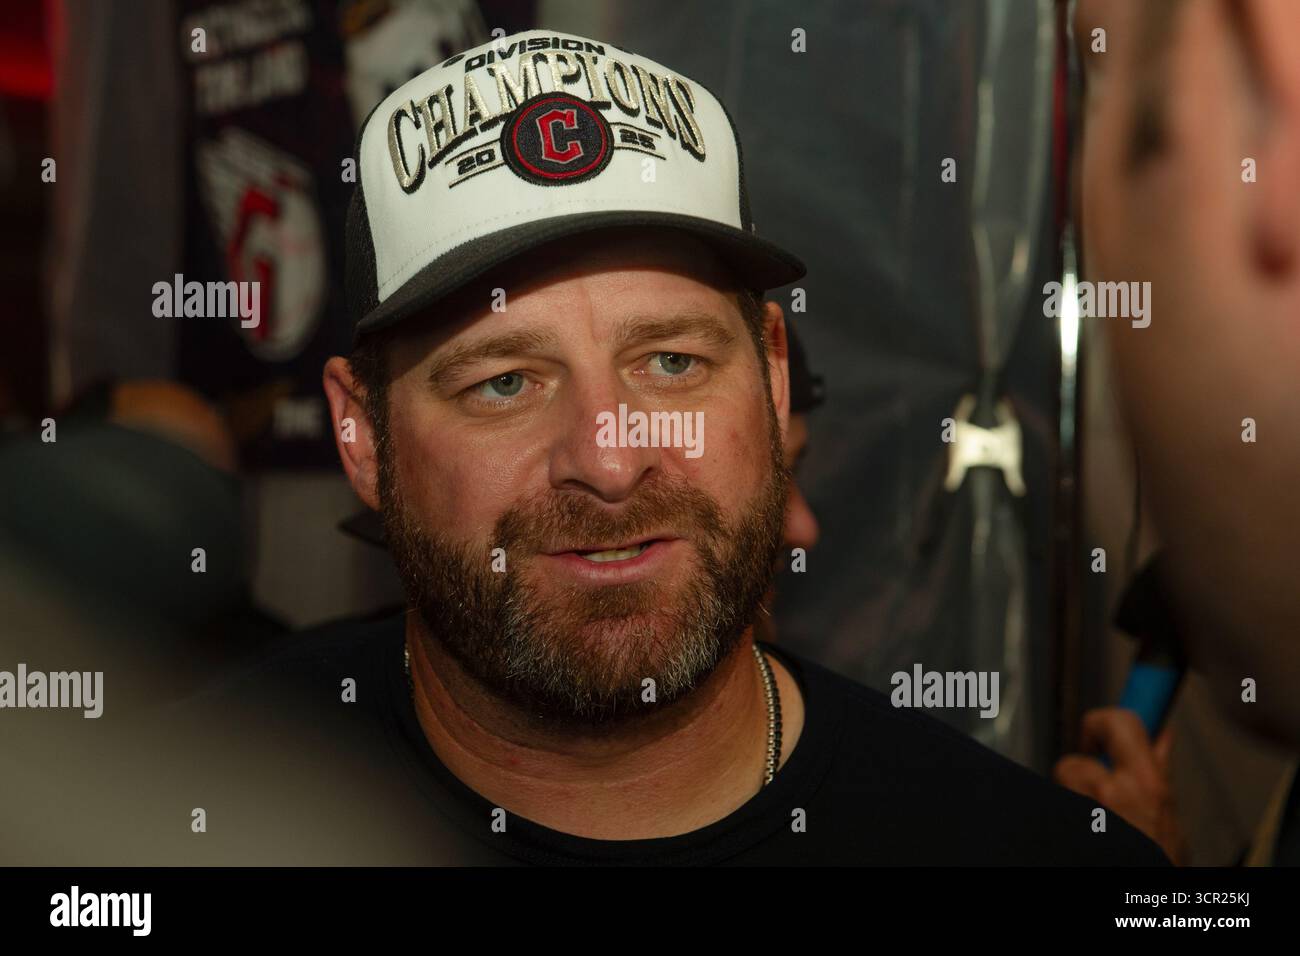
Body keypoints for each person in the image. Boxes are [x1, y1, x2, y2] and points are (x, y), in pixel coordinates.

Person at [168, 29, 1165, 865]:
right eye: (504, 382)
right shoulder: (167, 816)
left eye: (673, 363)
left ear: (772, 381)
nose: (609, 461)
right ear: (363, 436)